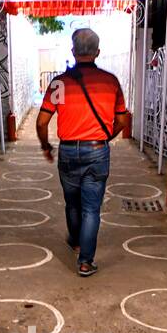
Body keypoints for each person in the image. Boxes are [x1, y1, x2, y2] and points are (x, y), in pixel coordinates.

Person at [36, 28, 131, 277]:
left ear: (73, 51)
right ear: (97, 52)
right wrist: (103, 138)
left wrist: (46, 147)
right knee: (91, 208)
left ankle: (75, 241)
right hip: (97, 151)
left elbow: (42, 122)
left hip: (68, 151)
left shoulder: (59, 83)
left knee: (72, 202)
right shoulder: (110, 82)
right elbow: (122, 120)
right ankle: (85, 262)